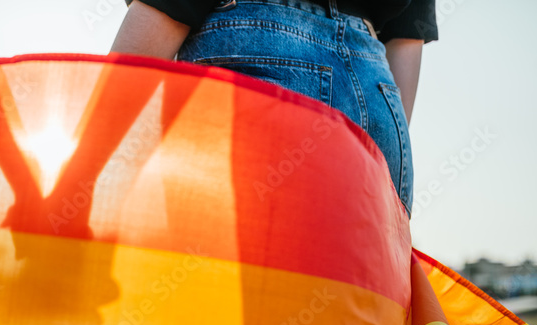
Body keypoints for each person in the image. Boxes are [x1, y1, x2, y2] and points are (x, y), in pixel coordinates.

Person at [112, 0, 438, 213]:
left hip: (255, 49)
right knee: (357, 308)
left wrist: (91, 164)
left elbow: (168, 6)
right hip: (376, 87)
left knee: (218, 302)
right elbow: (408, 34)